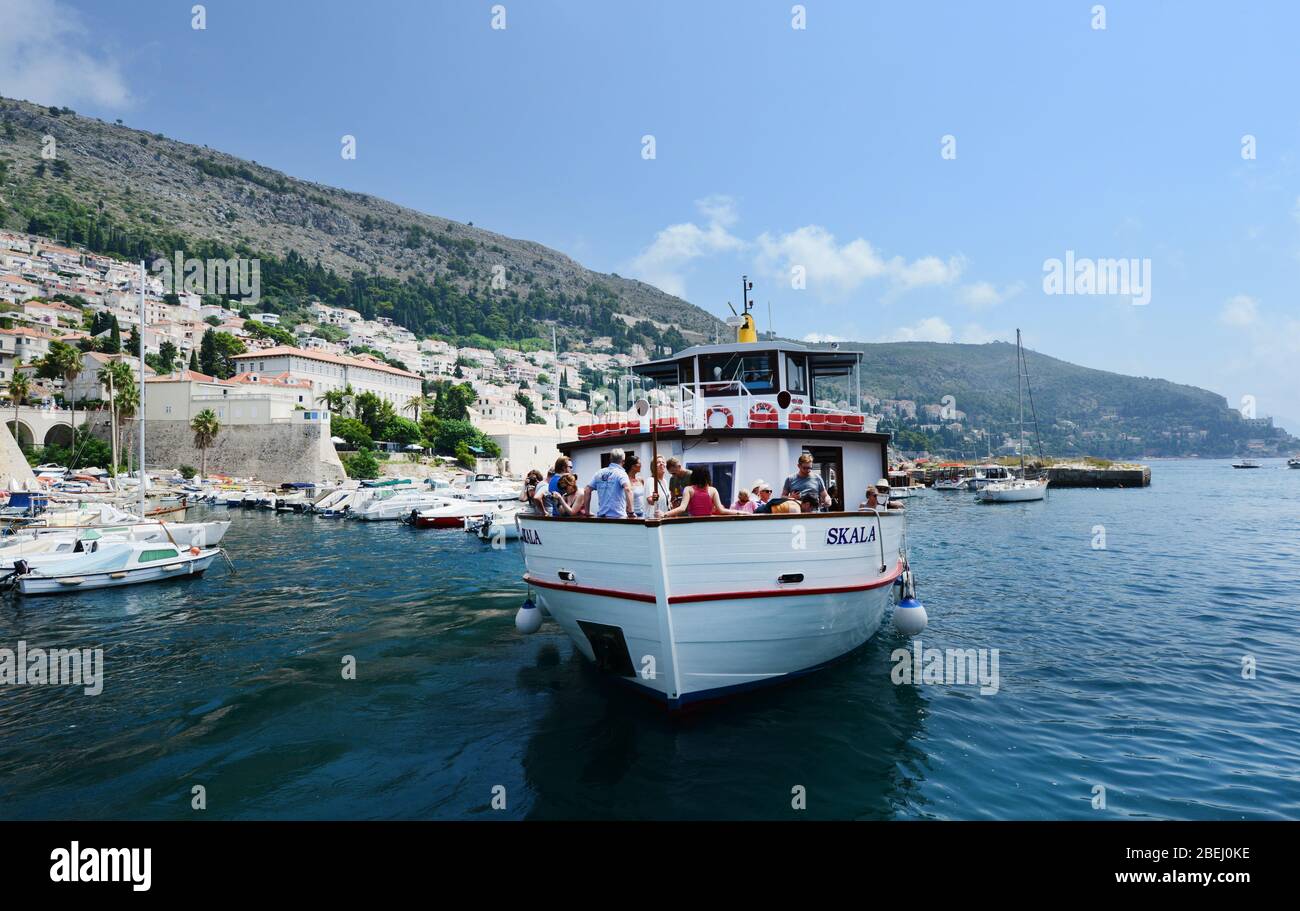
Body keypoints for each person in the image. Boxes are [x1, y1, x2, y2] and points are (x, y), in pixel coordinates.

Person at [663, 465, 738, 518]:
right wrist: (742, 512)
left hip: (694, 522)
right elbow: (722, 510)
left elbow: (682, 508)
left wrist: (664, 514)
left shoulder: (688, 489)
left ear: (693, 477)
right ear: (707, 477)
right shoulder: (713, 490)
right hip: (708, 523)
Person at [581, 448, 634, 518]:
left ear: (610, 459)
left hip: (602, 517)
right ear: (623, 461)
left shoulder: (599, 472)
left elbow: (587, 490)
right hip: (618, 517)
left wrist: (587, 512)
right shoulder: (621, 473)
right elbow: (627, 489)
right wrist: (631, 512)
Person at [625, 454, 647, 518]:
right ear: (633, 466)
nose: (641, 465)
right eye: (639, 463)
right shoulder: (625, 481)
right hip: (632, 514)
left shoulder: (641, 480)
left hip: (643, 513)